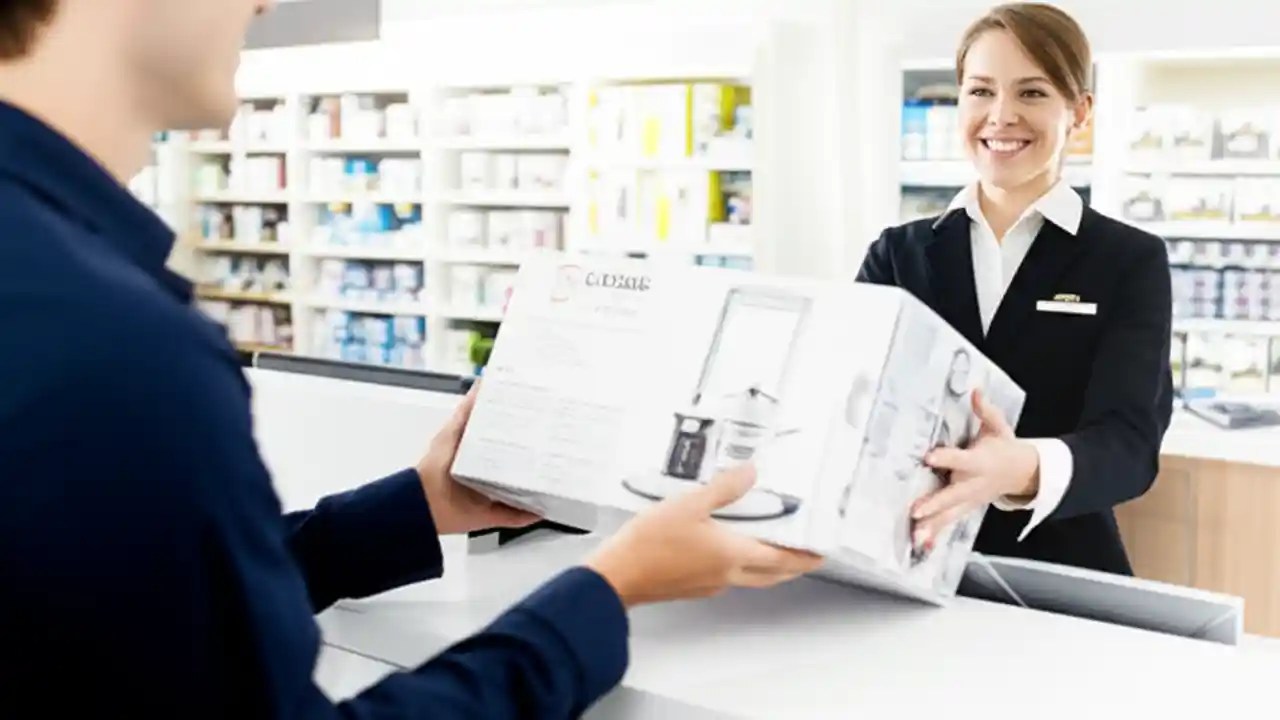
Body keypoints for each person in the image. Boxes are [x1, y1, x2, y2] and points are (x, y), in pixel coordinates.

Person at [0, 1, 822, 717]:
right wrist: (610, 590)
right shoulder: (119, 350)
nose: (265, 2)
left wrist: (417, 507)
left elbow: (139, 610)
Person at [857, 2, 1173, 575]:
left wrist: (1023, 467)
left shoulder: (1128, 261)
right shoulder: (896, 256)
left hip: (1057, 578)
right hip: (897, 559)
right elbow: (853, 403)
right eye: (980, 91)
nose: (1000, 116)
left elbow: (1130, 447)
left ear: (1079, 112)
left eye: (1031, 93)